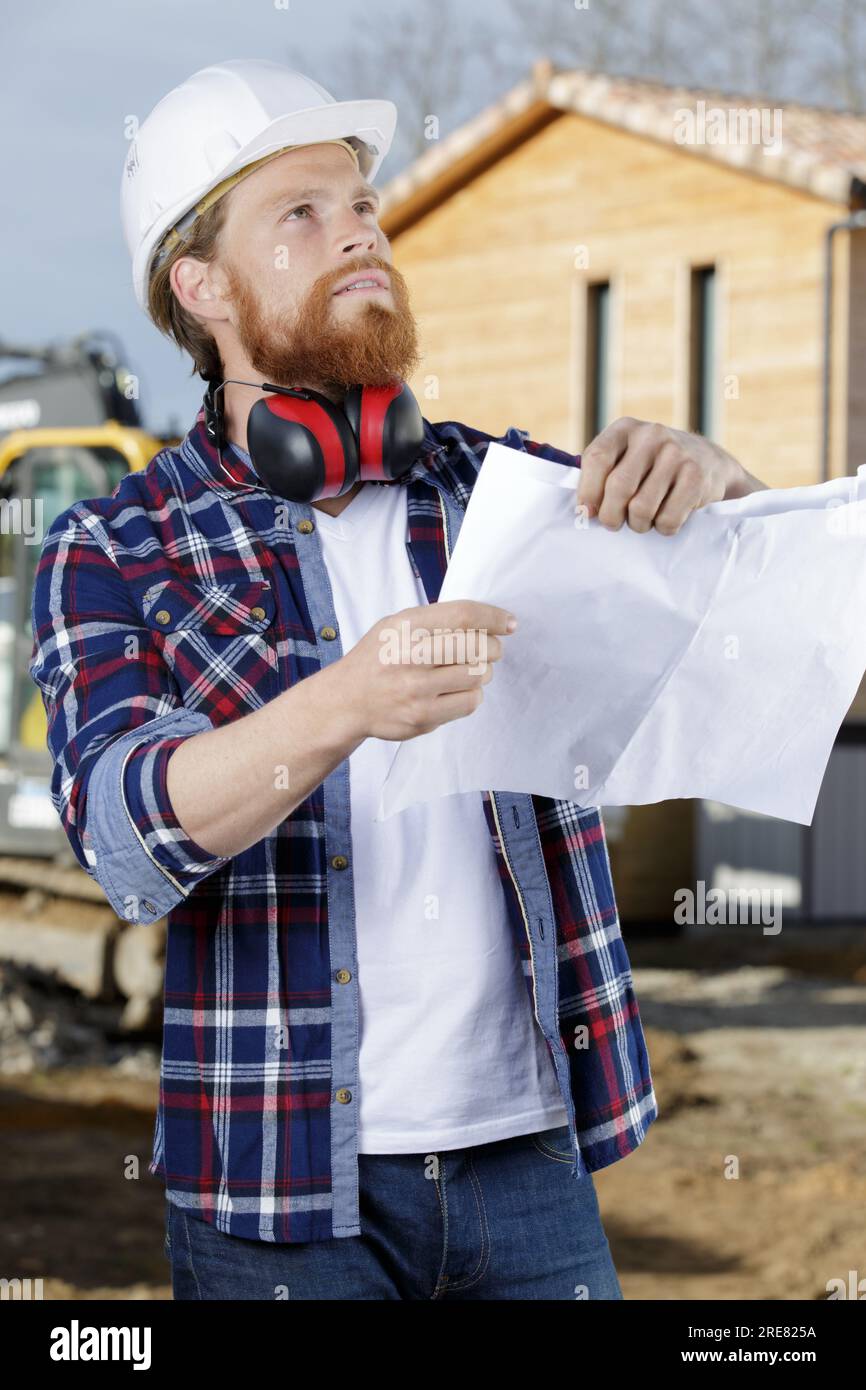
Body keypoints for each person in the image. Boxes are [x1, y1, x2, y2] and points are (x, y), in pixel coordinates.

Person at [30, 60, 766, 1301]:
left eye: (361, 203)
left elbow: (753, 636)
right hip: (278, 1188)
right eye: (300, 212)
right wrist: (343, 704)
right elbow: (120, 839)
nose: (359, 230)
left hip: (527, 1161)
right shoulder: (114, 544)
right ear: (199, 285)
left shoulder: (514, 497)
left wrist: (720, 487)